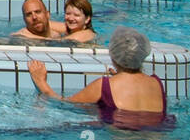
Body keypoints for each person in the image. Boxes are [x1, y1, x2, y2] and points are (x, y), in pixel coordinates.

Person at [27, 27, 168, 128]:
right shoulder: (156, 82)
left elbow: (63, 104)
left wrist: (41, 82)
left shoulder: (104, 86)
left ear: (113, 56)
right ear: (142, 55)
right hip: (158, 136)